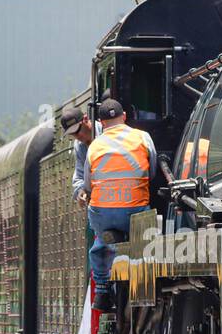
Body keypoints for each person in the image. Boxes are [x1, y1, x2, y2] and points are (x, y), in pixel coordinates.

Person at [83, 97, 156, 311]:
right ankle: (142, 282)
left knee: (100, 243)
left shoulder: (95, 145)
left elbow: (88, 184)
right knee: (145, 225)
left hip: (104, 215)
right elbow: (151, 172)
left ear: (102, 123)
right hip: (135, 211)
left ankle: (103, 290)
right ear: (124, 117)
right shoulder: (142, 137)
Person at [61, 105, 96, 207]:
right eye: (72, 133)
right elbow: (79, 177)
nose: (76, 136)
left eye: (77, 130)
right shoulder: (79, 146)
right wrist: (81, 191)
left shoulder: (105, 132)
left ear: (85, 119)